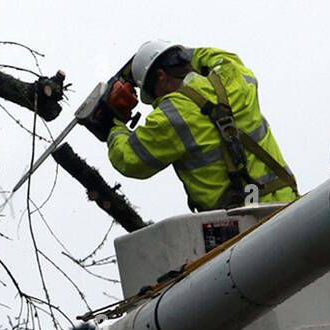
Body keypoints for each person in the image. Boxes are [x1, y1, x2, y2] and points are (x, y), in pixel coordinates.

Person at [105, 41, 299, 212]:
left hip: (241, 226)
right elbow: (219, 56)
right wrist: (177, 53)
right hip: (288, 205)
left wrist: (113, 125)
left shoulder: (171, 116)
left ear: (161, 77)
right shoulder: (234, 75)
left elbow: (129, 159)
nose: (157, 100)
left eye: (152, 93)